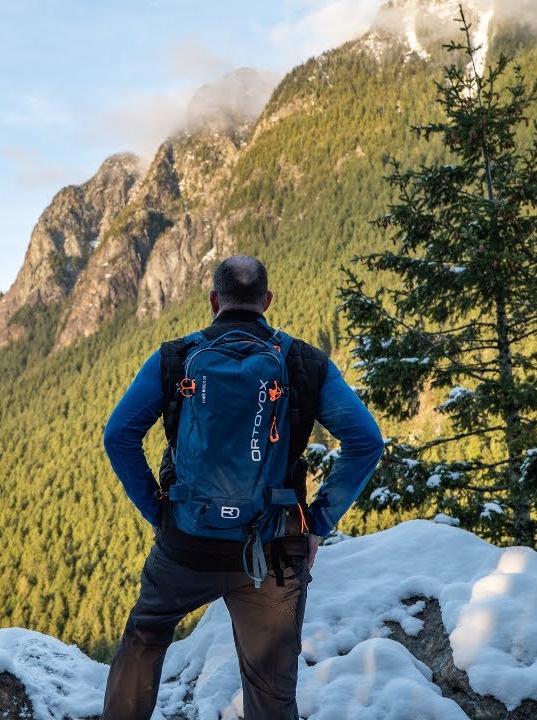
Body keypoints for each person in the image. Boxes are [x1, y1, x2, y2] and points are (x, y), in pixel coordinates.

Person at [101, 255, 383, 720]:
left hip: (187, 542)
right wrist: (317, 523)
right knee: (271, 687)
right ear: (267, 301)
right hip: (273, 550)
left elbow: (119, 436)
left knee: (144, 640)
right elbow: (366, 442)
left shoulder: (175, 358)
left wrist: (159, 511)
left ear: (215, 300)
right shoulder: (305, 362)